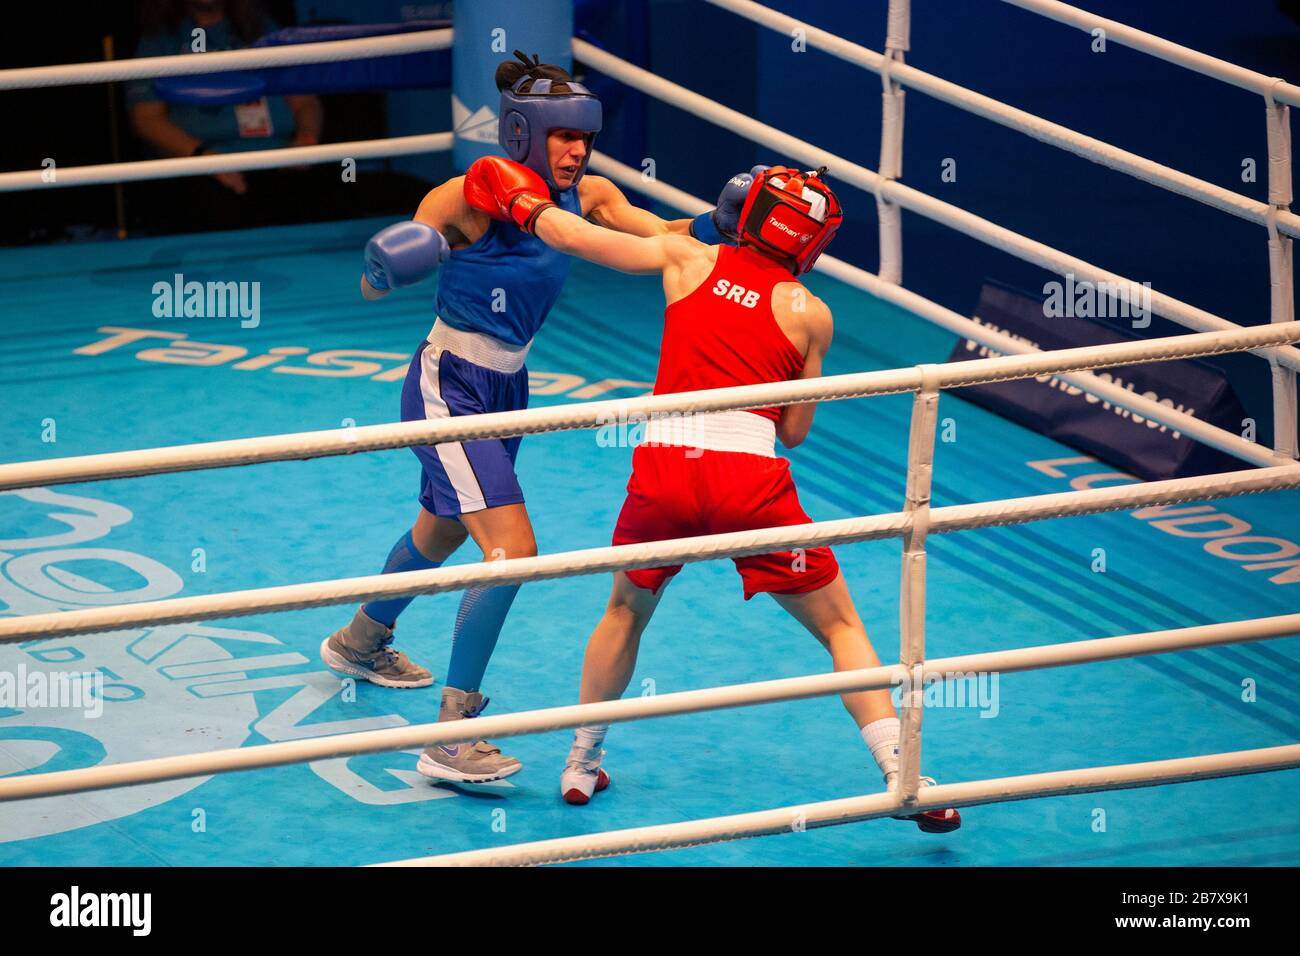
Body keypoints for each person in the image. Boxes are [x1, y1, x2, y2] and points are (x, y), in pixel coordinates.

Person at [464, 157, 961, 832]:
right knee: (842, 626)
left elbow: (578, 238)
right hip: (748, 480)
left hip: (665, 471)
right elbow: (794, 432)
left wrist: (520, 202)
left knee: (625, 611)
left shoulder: (687, 259)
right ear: (810, 243)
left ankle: (580, 764)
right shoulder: (811, 314)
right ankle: (903, 773)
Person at [320, 51, 756, 785]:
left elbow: (655, 237)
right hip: (447, 385)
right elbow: (372, 290)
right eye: (563, 139)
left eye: (585, 138)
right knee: (513, 550)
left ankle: (360, 640)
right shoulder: (458, 199)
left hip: (507, 390)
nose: (578, 151)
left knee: (444, 528)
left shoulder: (593, 195)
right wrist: (383, 265)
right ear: (523, 134)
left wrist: (717, 225)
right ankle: (454, 732)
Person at [126, 0, 325, 232]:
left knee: (333, 194)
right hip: (205, 171)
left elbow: (306, 100)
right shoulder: (159, 38)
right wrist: (207, 160)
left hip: (282, 162)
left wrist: (306, 139)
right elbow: (146, 119)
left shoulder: (263, 28)